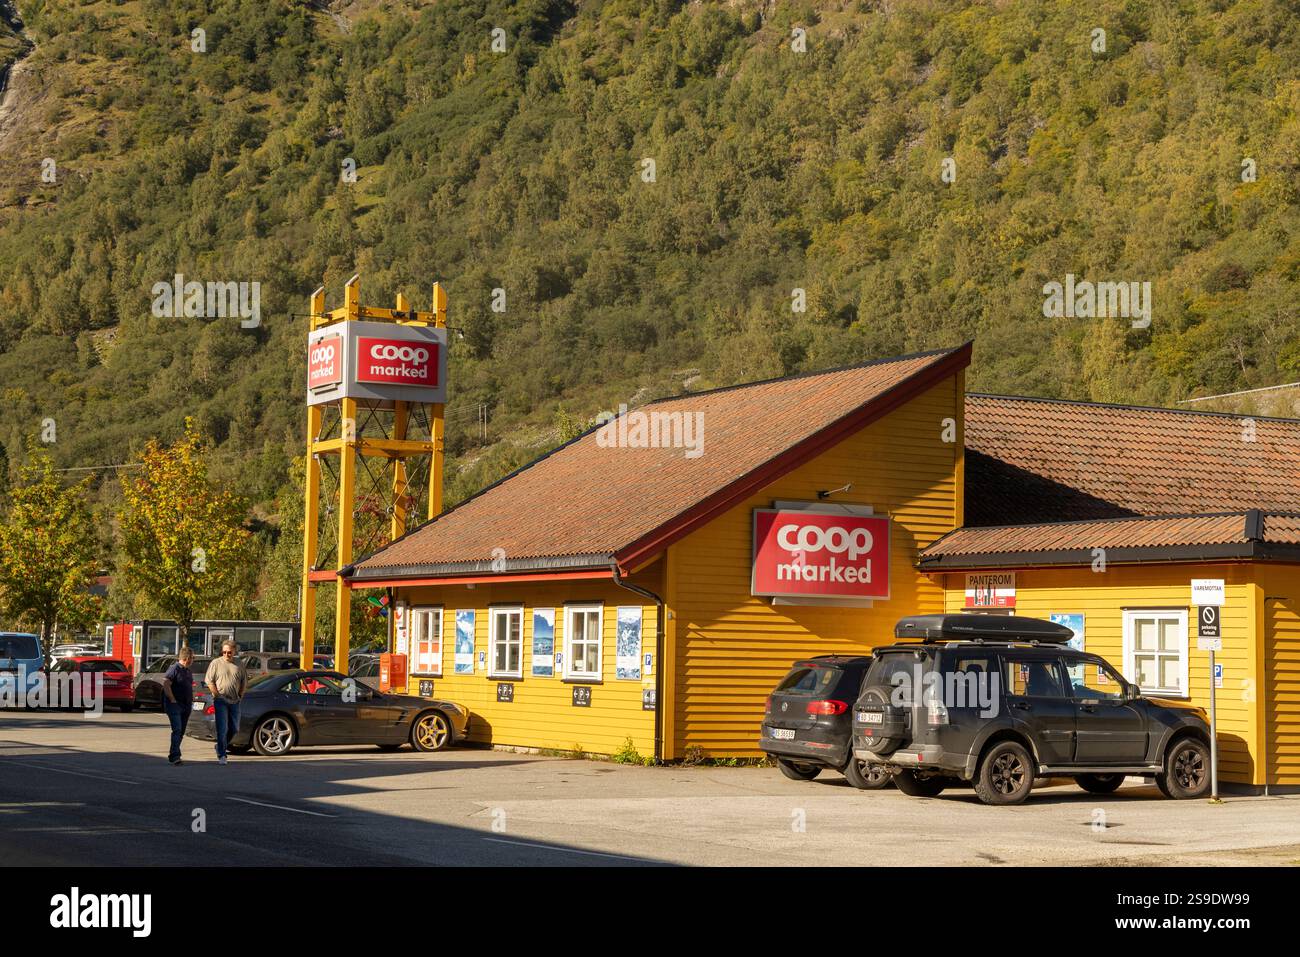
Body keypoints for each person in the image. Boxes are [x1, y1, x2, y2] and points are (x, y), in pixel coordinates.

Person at [205, 639, 247, 764]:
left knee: (234, 728)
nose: (226, 655)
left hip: (235, 700)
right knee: (222, 728)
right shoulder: (216, 663)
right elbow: (209, 681)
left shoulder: (239, 663)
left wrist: (241, 695)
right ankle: (222, 755)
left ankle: (220, 746)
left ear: (234, 651)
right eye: (224, 652)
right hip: (221, 700)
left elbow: (244, 682)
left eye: (229, 652)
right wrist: (216, 695)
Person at [162, 647, 195, 765]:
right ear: (186, 658)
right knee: (177, 729)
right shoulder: (174, 668)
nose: (193, 660)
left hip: (186, 705)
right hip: (175, 705)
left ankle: (173, 754)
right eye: (192, 658)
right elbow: (166, 684)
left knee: (181, 732)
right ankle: (175, 756)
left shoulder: (187, 671)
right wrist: (172, 699)